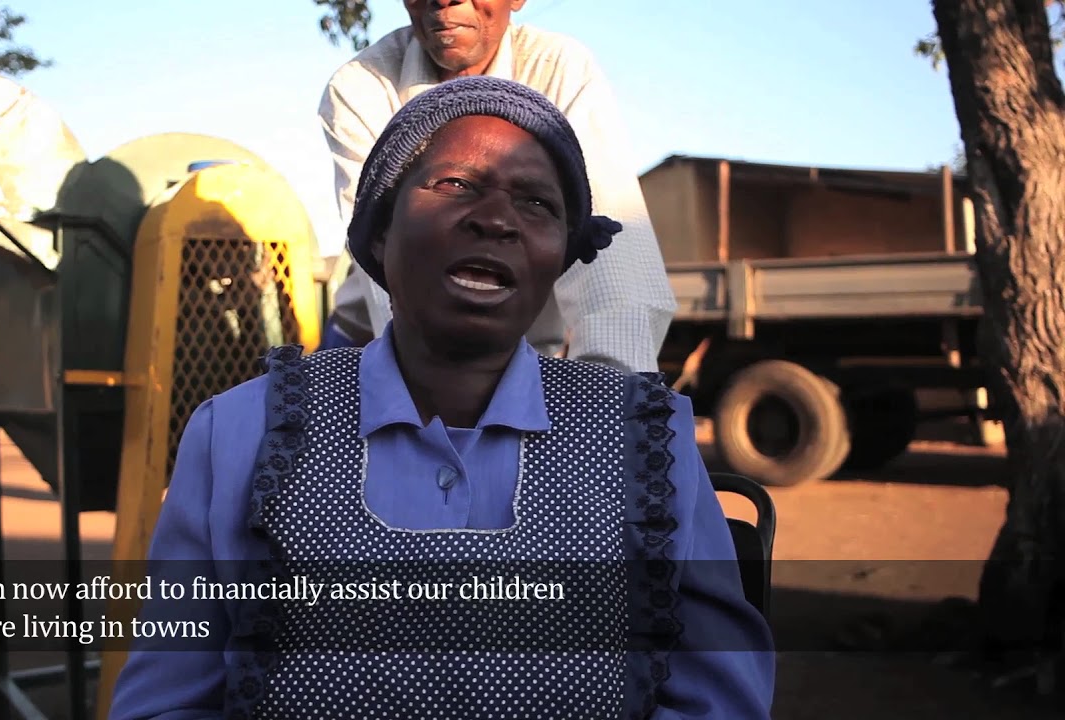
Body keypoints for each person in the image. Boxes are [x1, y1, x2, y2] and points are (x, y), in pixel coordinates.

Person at [109, 77, 774, 719]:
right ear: (377, 234)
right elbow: (166, 700)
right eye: (454, 184)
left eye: (537, 204)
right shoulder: (238, 434)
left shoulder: (648, 442)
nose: (496, 220)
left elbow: (720, 698)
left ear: (560, 258)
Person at [317, 0, 677, 374]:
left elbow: (613, 264)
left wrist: (609, 396)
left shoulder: (558, 69)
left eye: (533, 201)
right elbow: (387, 263)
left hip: (526, 354)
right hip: (367, 341)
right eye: (453, 184)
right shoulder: (362, 85)